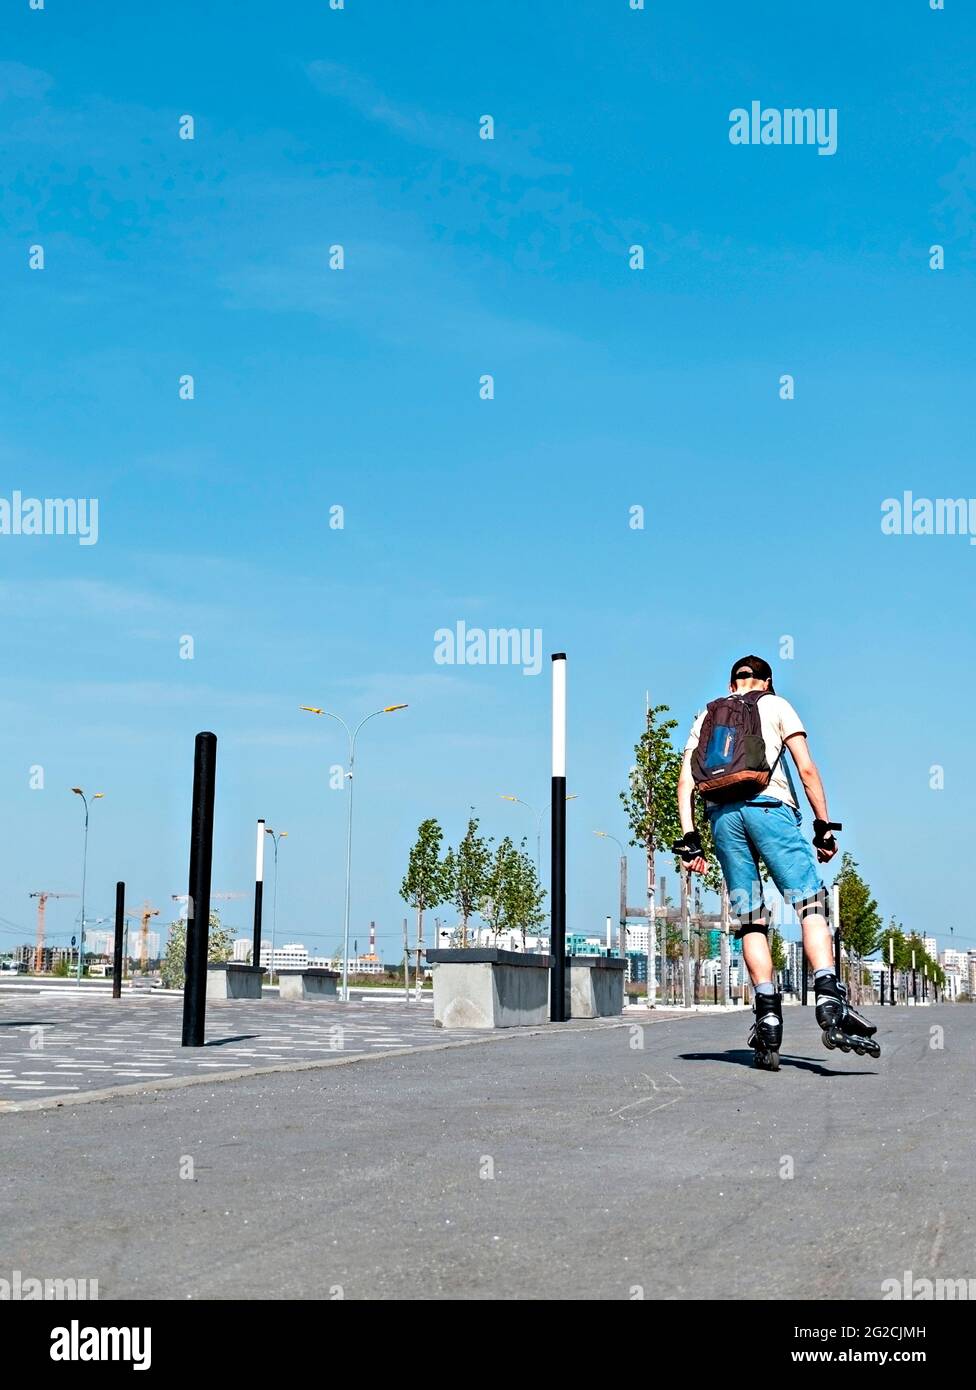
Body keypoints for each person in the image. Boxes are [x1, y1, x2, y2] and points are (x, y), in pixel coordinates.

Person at [674, 655, 879, 1067]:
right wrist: (824, 827)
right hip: (770, 809)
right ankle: (829, 999)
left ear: (734, 685)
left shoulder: (708, 715)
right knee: (810, 904)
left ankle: (767, 1018)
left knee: (751, 919)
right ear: (767, 683)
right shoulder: (776, 704)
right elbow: (805, 768)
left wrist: (691, 840)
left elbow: (686, 783)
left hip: (722, 818)